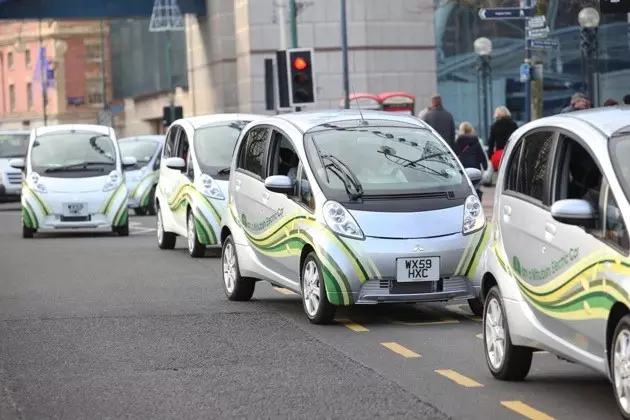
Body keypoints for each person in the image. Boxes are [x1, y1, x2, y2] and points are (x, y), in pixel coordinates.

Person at [453, 122, 488, 200]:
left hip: (463, 166)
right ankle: (477, 198)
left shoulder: (459, 140)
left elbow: (455, 154)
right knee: (475, 185)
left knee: (465, 185)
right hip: (475, 166)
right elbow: (481, 155)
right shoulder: (476, 140)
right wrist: (485, 166)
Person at [487, 106, 518, 172]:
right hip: (511, 153)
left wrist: (490, 156)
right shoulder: (513, 125)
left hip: (500, 155)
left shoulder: (495, 126)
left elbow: (491, 143)